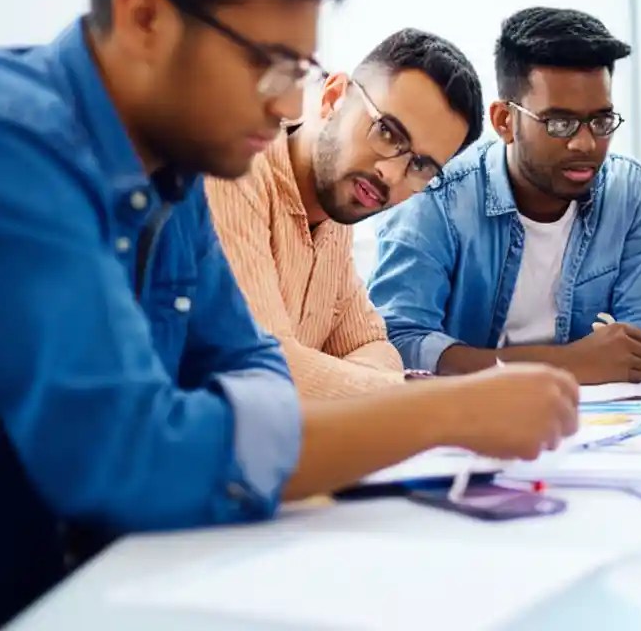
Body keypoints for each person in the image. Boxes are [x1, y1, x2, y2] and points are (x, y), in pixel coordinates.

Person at [0, 0, 577, 621]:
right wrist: (444, 411)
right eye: (266, 63)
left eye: (299, 69)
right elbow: (128, 451)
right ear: (145, 17)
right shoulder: (20, 149)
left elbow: (251, 365)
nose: (290, 106)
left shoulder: (175, 168)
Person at [369, 7, 641, 384]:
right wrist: (566, 364)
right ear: (504, 121)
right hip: (468, 425)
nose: (585, 143)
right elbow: (397, 343)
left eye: (600, 121)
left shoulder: (624, 191)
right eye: (559, 123)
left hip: (596, 425)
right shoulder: (438, 194)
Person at [207, 29, 483, 397]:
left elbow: (377, 349)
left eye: (421, 166)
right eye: (387, 132)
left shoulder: (337, 216)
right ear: (334, 96)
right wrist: (405, 394)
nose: (392, 173)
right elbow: (263, 371)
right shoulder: (235, 170)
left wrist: (329, 377)